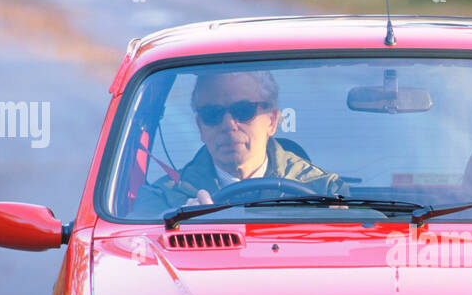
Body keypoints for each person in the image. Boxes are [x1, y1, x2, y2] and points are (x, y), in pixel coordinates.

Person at [135, 69, 344, 214]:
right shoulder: (162, 201)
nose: (229, 124)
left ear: (272, 121)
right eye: (212, 114)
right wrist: (181, 224)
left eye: (243, 111)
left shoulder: (323, 191)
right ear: (200, 127)